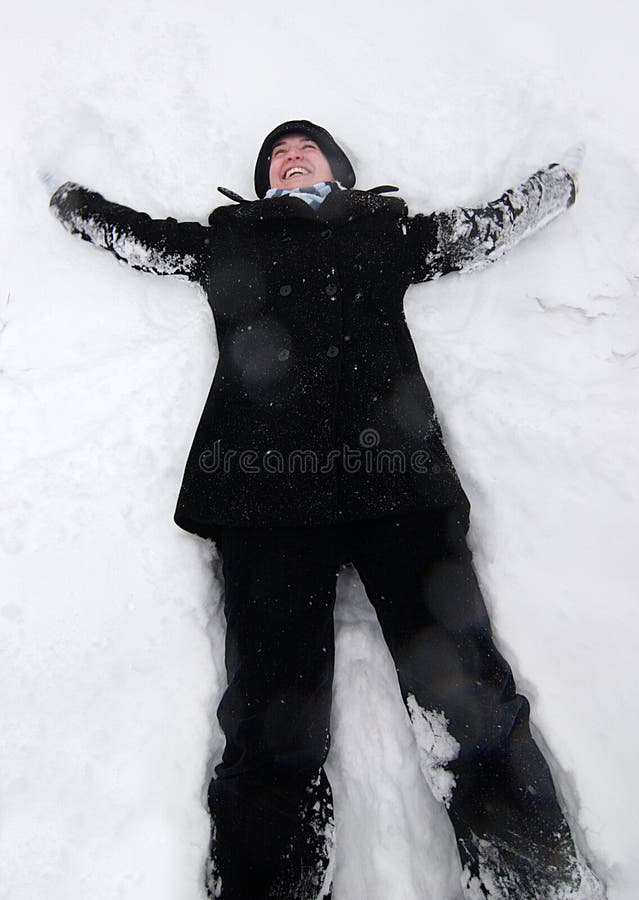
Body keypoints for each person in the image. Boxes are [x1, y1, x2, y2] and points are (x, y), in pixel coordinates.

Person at [47, 121, 604, 900]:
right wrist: (69, 201)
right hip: (265, 490)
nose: (290, 155)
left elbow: (473, 233)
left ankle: (531, 881)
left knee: (466, 693)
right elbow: (141, 238)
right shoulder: (230, 238)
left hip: (395, 480)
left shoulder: (381, 230)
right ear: (262, 181)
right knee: (272, 727)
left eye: (304, 148)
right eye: (276, 154)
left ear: (339, 171)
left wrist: (550, 190)